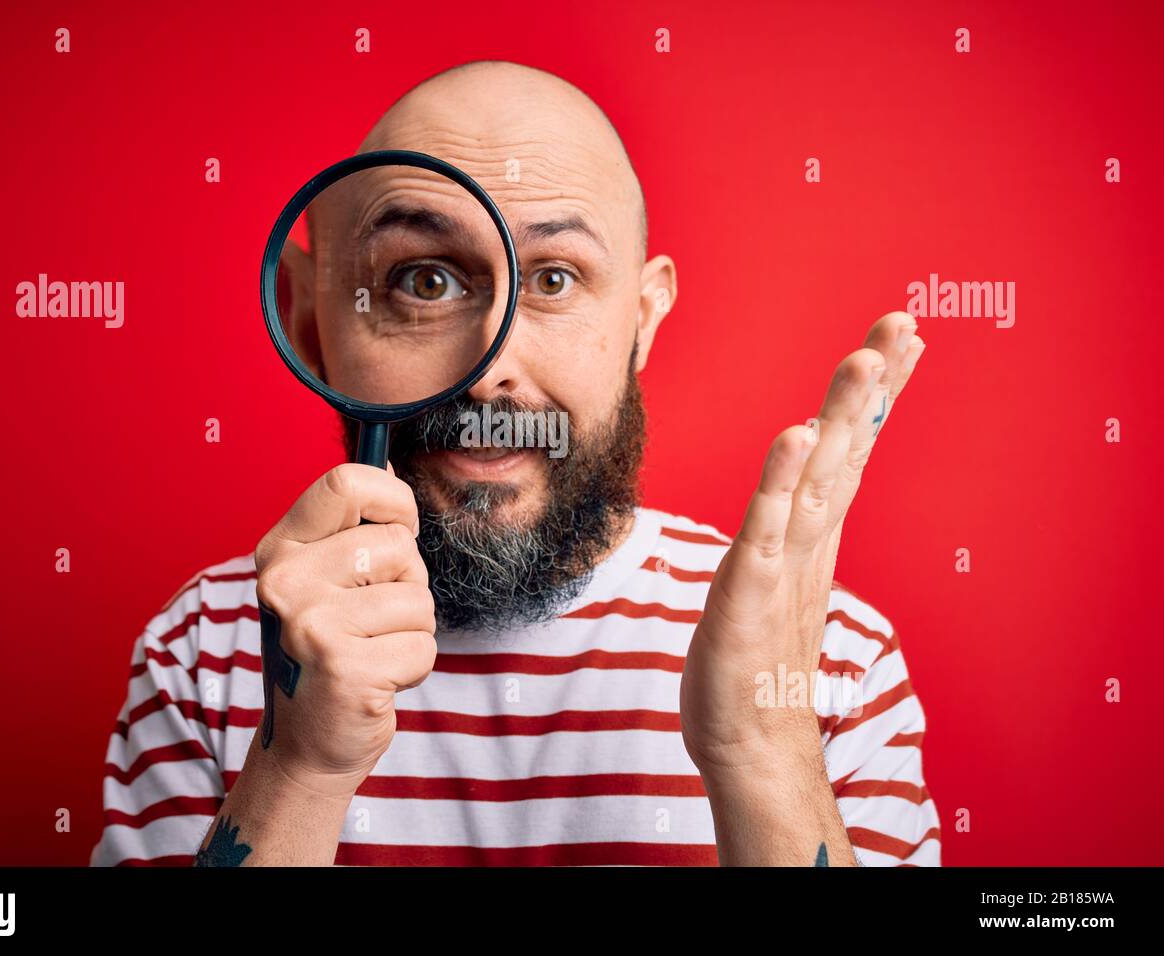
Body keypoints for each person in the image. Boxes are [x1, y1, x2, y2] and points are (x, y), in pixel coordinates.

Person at [91, 59, 938, 867]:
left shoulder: (825, 657)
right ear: (309, 320)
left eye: (555, 279)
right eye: (423, 282)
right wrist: (298, 770)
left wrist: (762, 750)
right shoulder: (201, 650)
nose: (492, 367)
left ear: (642, 320)